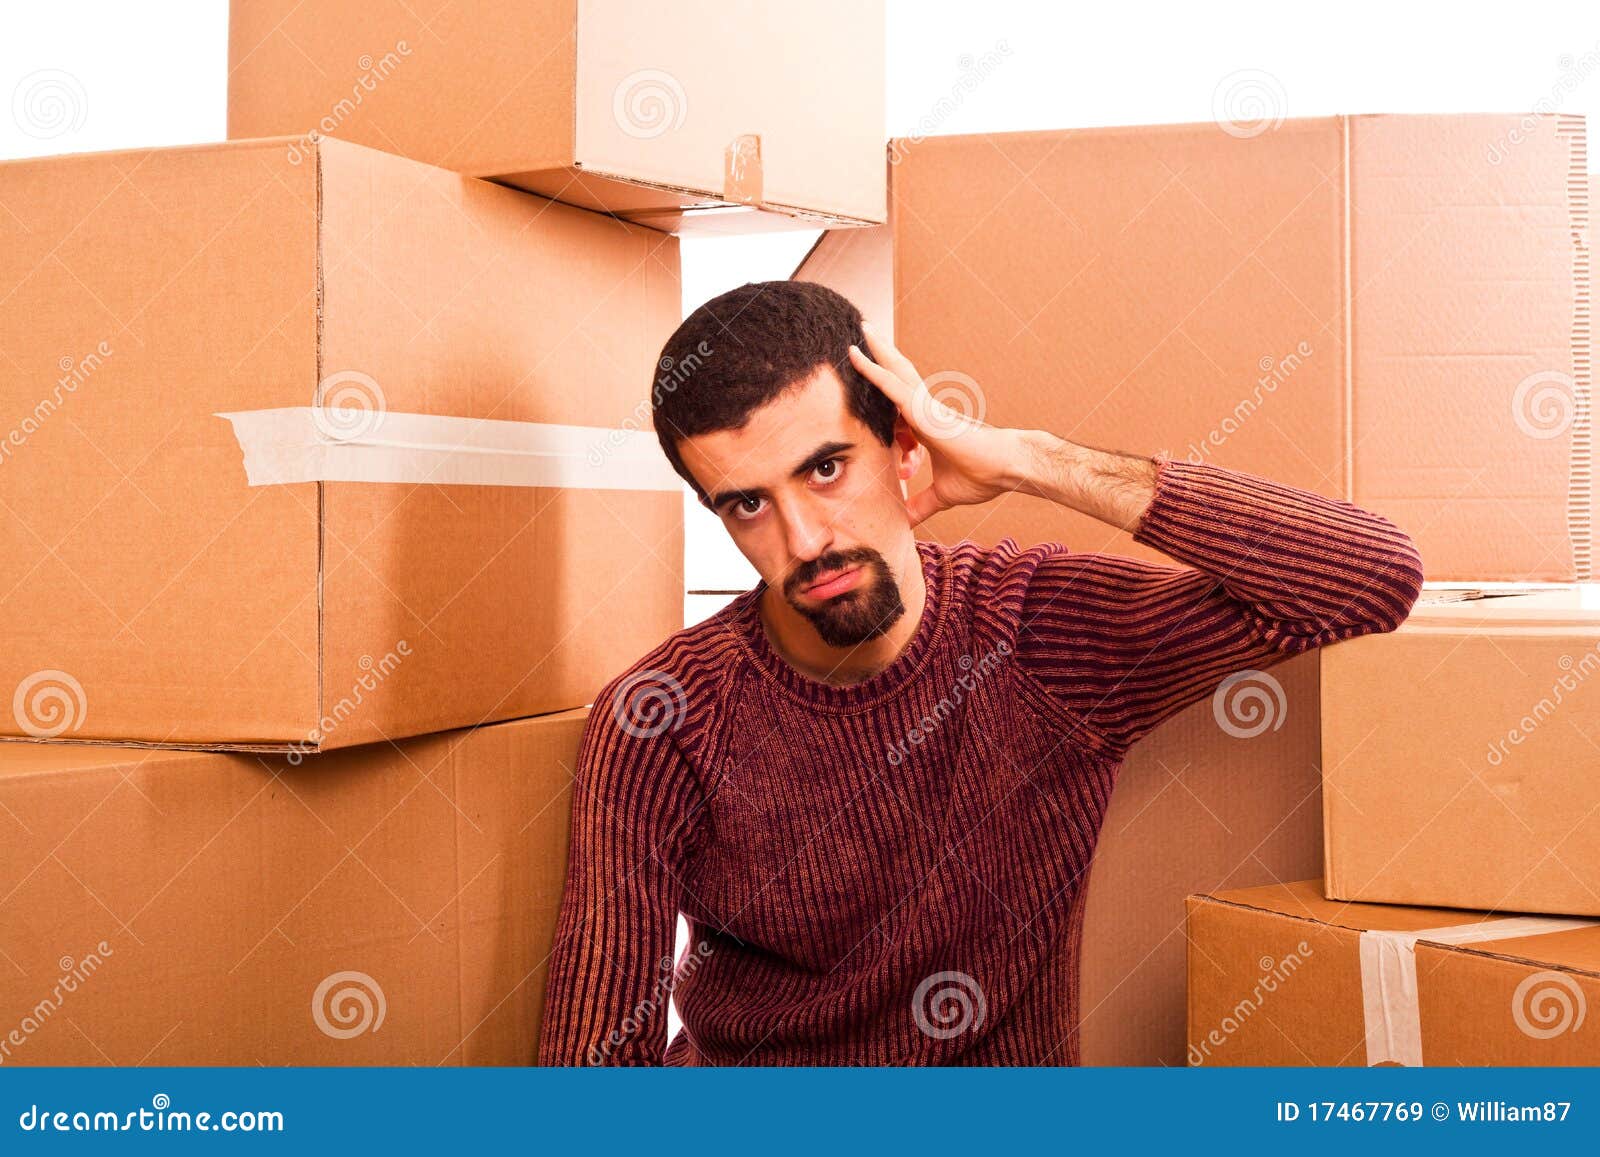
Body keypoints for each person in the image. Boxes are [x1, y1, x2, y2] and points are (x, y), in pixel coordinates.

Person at [536, 280, 1423, 1066]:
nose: (804, 542)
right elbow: (591, 1070)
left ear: (905, 445)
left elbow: (1368, 577)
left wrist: (1027, 460)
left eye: (827, 468)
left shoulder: (1039, 637)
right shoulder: (662, 718)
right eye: (750, 502)